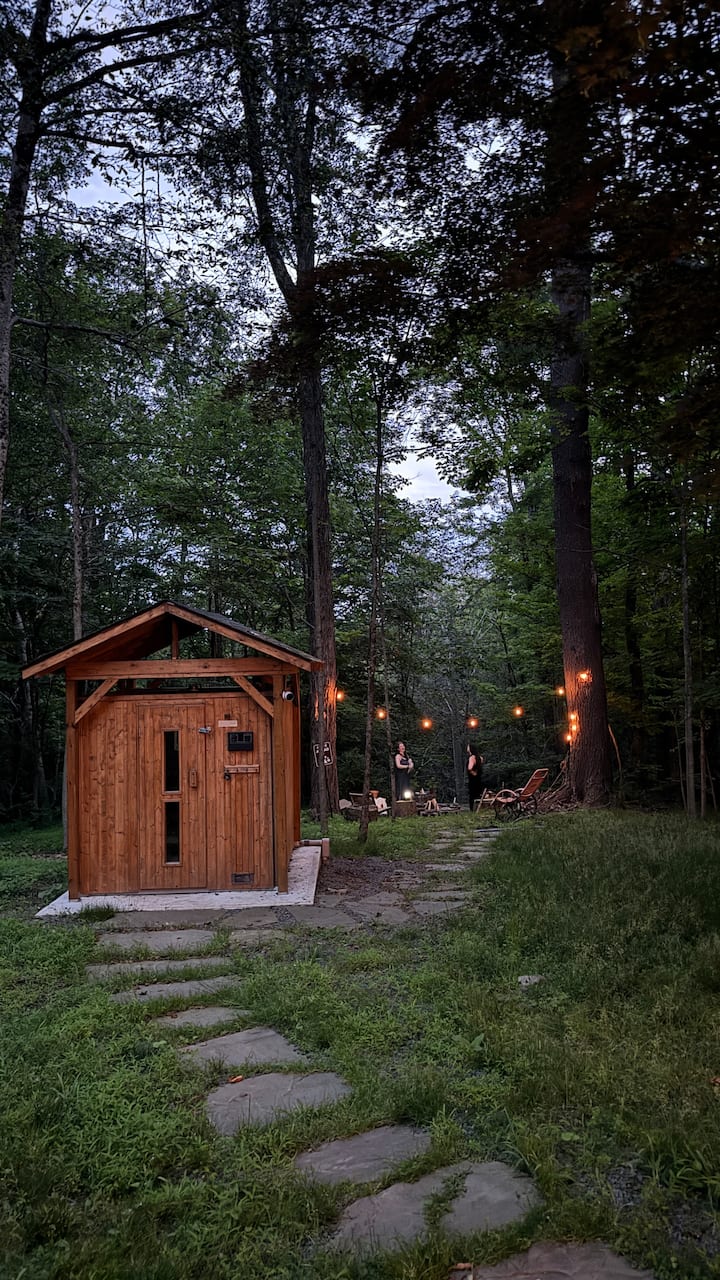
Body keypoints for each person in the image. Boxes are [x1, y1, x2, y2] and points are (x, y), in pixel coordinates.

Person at [467, 742, 484, 811]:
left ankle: (472, 810)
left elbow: (469, 768)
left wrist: (472, 772)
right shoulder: (480, 758)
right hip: (479, 778)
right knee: (478, 794)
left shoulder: (472, 758)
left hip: (472, 779)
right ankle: (479, 808)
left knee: (472, 795)